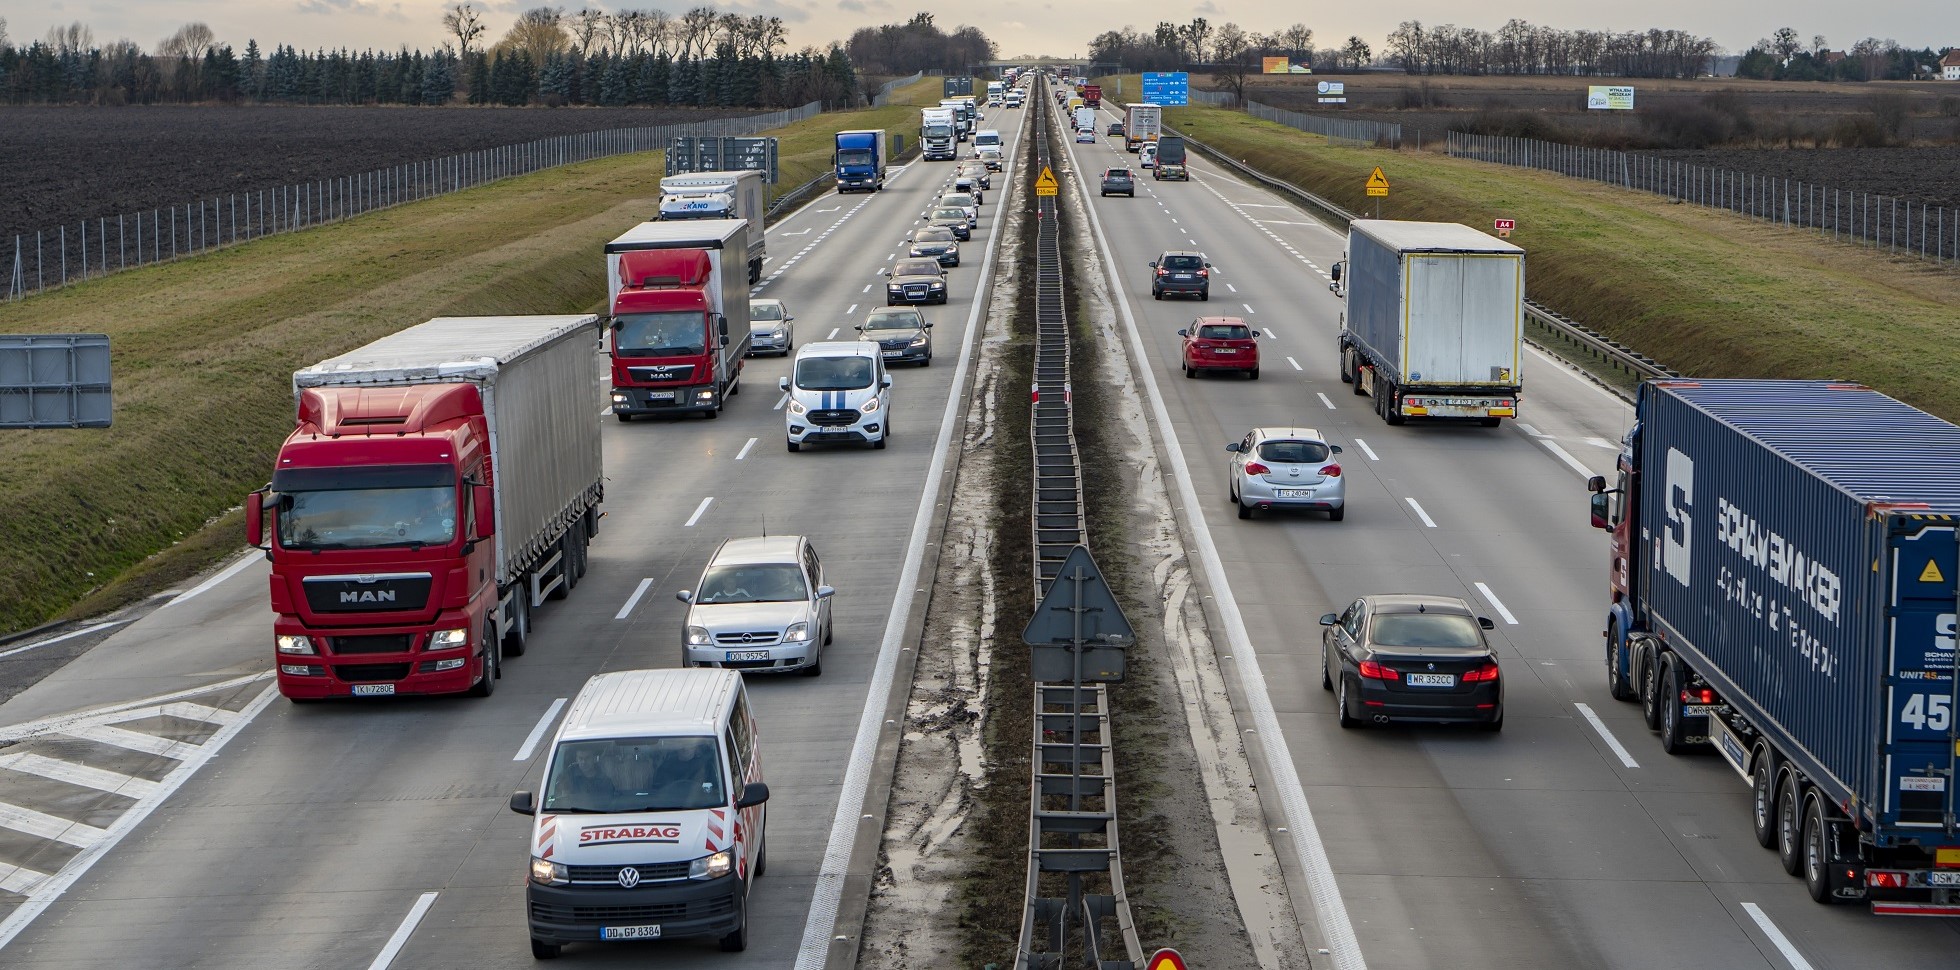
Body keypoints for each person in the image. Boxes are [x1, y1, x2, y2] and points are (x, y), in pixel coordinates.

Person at [550, 745, 615, 810]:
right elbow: (559, 799)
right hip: (571, 815)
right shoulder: (568, 776)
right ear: (576, 759)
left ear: (594, 759)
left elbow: (608, 805)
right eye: (580, 758)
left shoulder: (605, 780)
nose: (583, 762)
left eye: (587, 758)